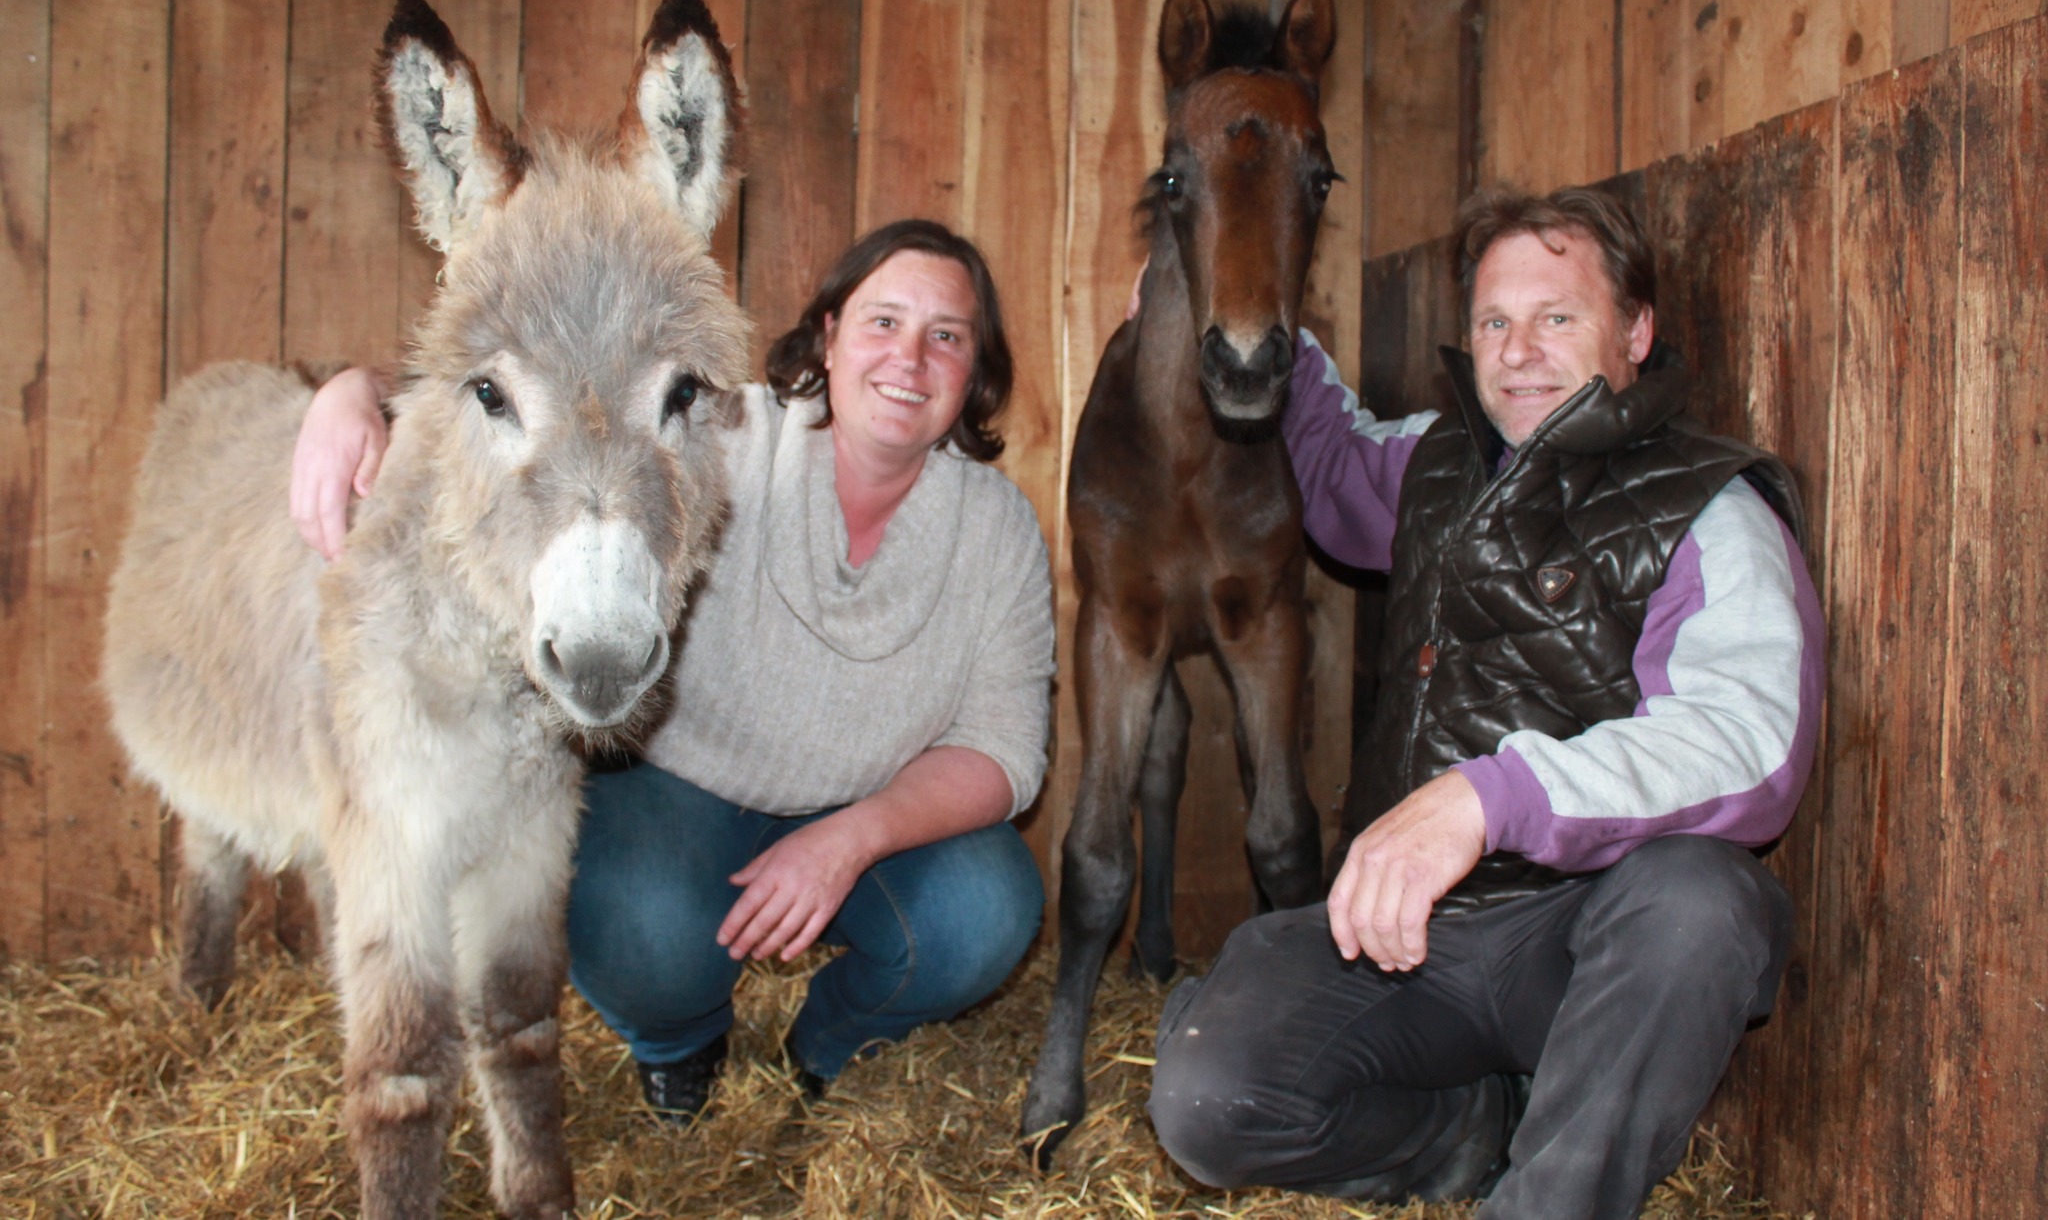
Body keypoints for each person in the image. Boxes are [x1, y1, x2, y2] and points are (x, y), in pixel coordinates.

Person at [1145, 186, 1825, 1218]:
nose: (1517, 350)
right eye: (1492, 323)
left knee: (1699, 902)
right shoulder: (1435, 462)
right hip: (1416, 934)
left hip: (1580, 945)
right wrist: (1254, 303)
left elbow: (1746, 741)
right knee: (1207, 1099)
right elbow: (1329, 464)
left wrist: (1486, 798)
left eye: (1556, 317)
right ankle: (1472, 1133)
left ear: (1633, 331)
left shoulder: (1709, 506)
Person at [291, 219, 1054, 1121]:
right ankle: (680, 1041)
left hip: (870, 815)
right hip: (684, 799)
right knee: (626, 916)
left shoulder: (998, 530)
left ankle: (827, 1043)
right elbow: (549, 387)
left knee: (989, 912)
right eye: (883, 322)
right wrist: (355, 393)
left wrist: (851, 837)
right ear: (829, 333)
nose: (911, 358)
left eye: (947, 336)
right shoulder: (721, 433)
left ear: (975, 373)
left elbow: (1006, 748)